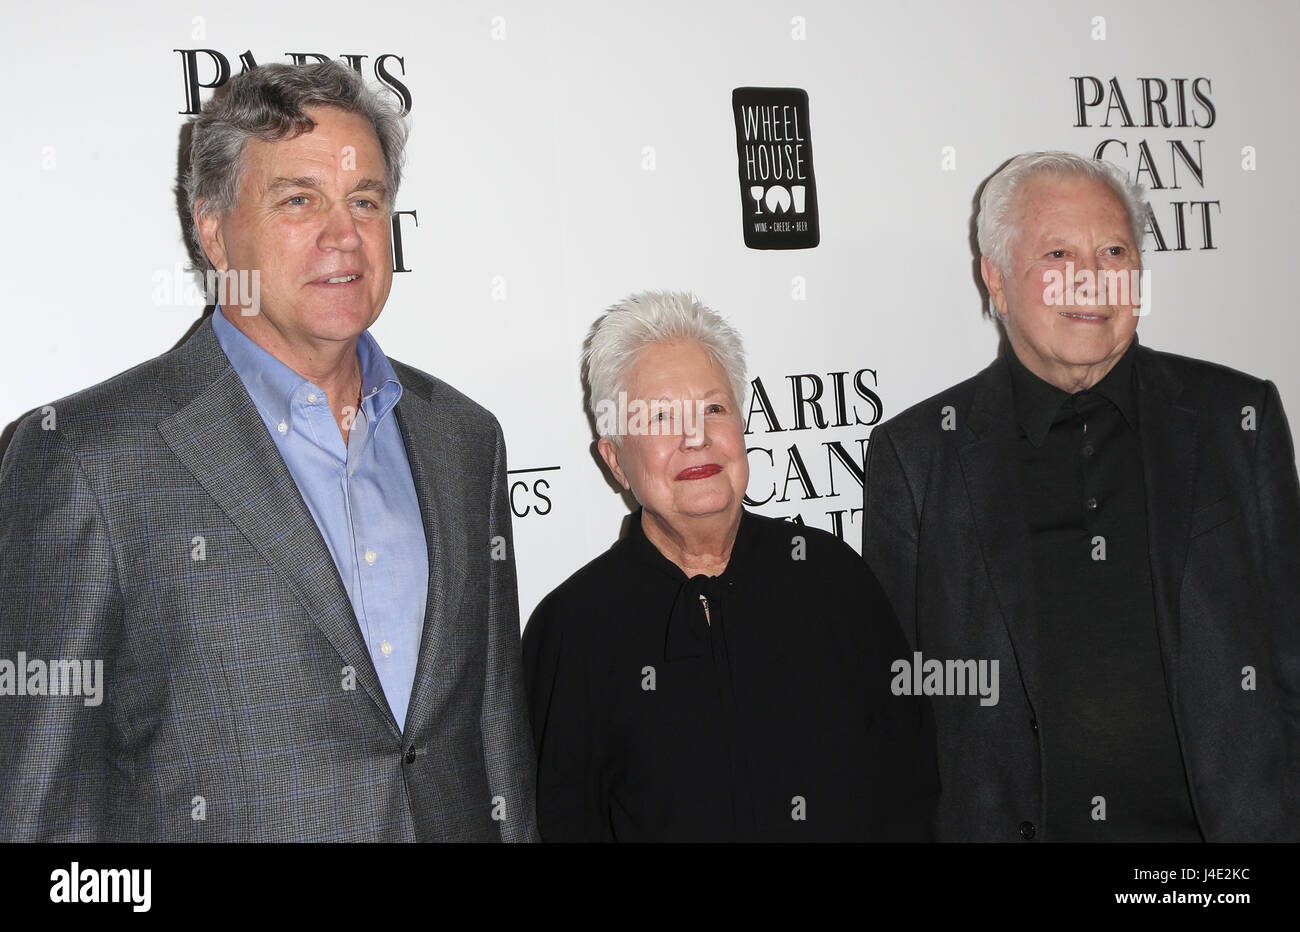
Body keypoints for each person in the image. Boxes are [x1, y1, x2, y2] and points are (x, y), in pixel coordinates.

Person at [0, 62, 537, 842]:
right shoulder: (85, 460)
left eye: (365, 200)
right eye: (298, 201)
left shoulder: (463, 440)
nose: (343, 235)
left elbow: (496, 741)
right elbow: (36, 807)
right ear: (212, 231)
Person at [863, 151, 1300, 842]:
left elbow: (1288, 653)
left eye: (1115, 251)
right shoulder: (918, 457)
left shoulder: (1237, 420)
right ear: (996, 280)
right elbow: (900, 704)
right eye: (1058, 252)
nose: (1091, 279)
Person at [523, 290, 938, 841]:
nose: (696, 438)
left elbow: (909, 783)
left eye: (713, 408)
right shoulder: (572, 629)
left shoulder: (832, 578)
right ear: (616, 460)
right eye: (661, 416)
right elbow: (562, 821)